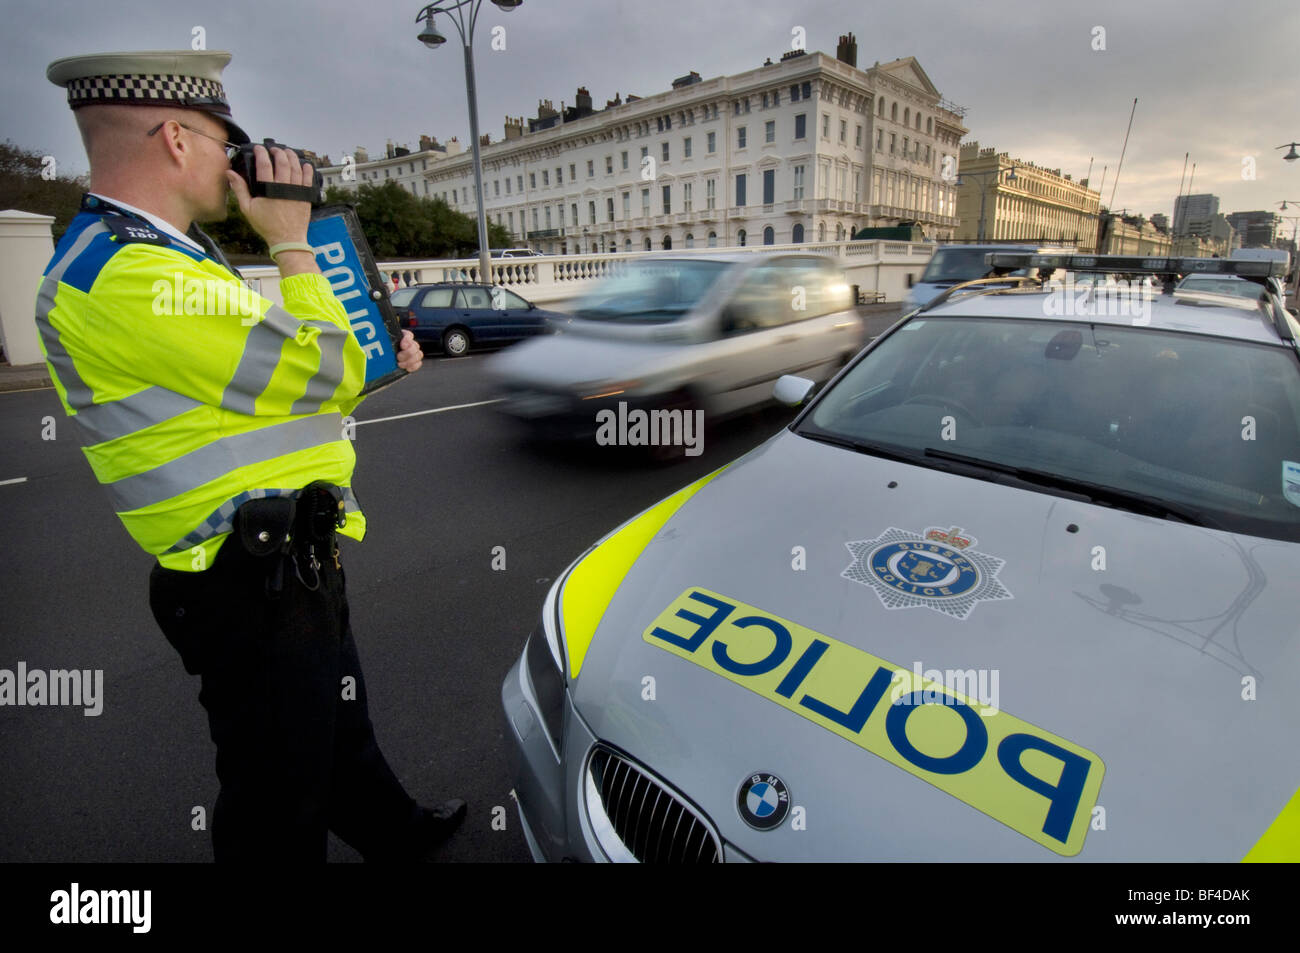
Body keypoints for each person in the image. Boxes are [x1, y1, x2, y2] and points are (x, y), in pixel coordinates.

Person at [38, 49, 465, 862]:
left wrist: (373, 365)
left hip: (287, 553)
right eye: (223, 137)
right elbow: (321, 368)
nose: (240, 159)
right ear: (175, 138)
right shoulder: (129, 275)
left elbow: (279, 395)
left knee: (339, 730)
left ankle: (397, 836)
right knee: (275, 801)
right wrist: (291, 241)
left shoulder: (167, 252)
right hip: (241, 578)